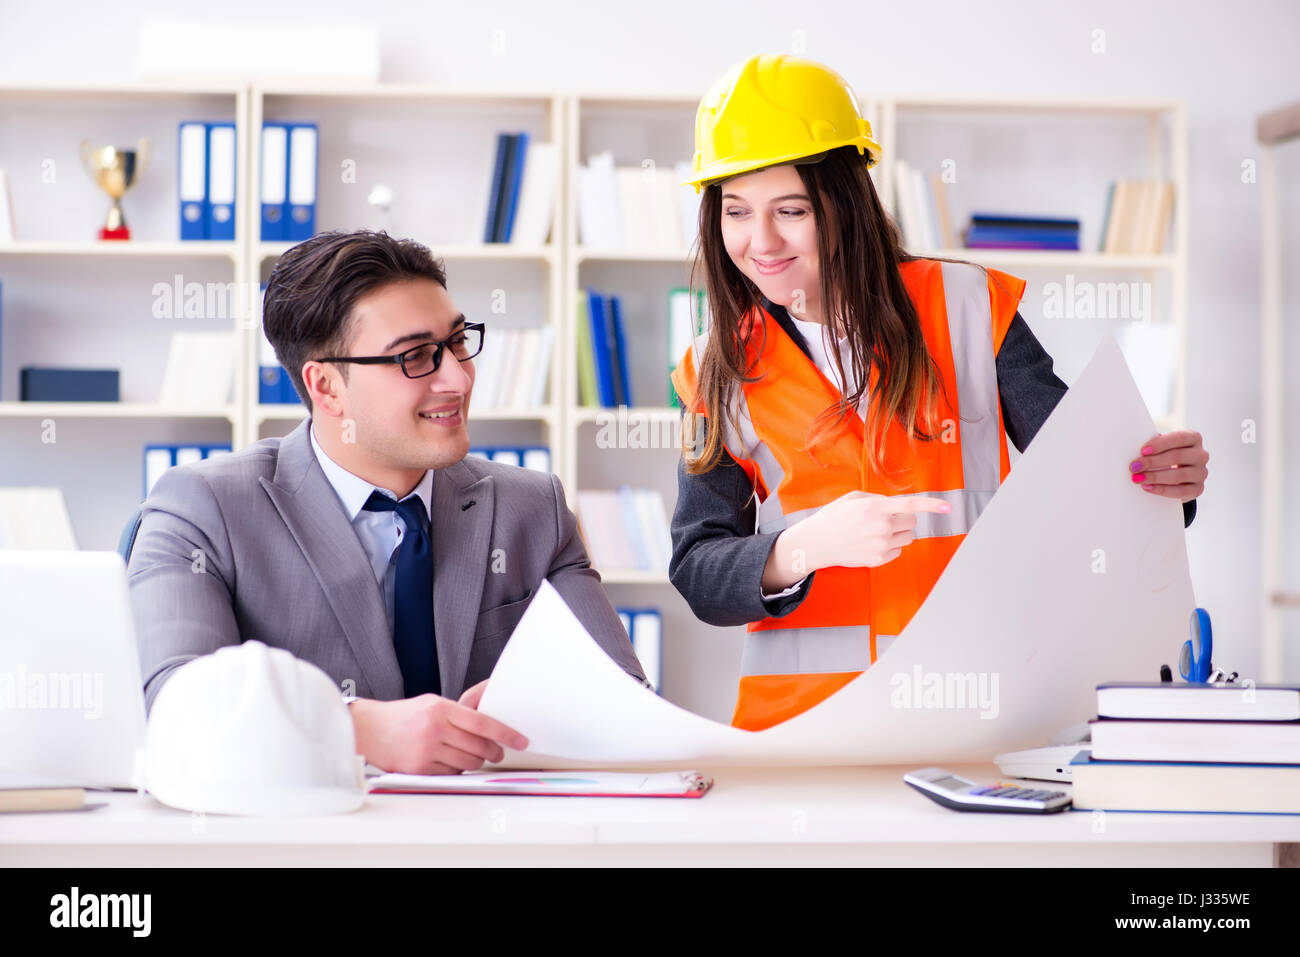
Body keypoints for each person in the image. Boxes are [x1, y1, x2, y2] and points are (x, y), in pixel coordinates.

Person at [668, 55, 1209, 732]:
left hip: (972, 715)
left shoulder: (969, 309)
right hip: (804, 733)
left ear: (844, 203)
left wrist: (1169, 482)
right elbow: (697, 570)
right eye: (736, 211)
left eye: (791, 209)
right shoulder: (713, 370)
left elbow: (1096, 478)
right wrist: (805, 545)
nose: (760, 241)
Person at [129, 229, 649, 773]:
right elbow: (173, 704)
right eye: (416, 356)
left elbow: (628, 698)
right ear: (327, 387)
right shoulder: (203, 509)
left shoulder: (533, 507)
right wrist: (356, 729)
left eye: (457, 342)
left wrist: (551, 707)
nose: (458, 377)